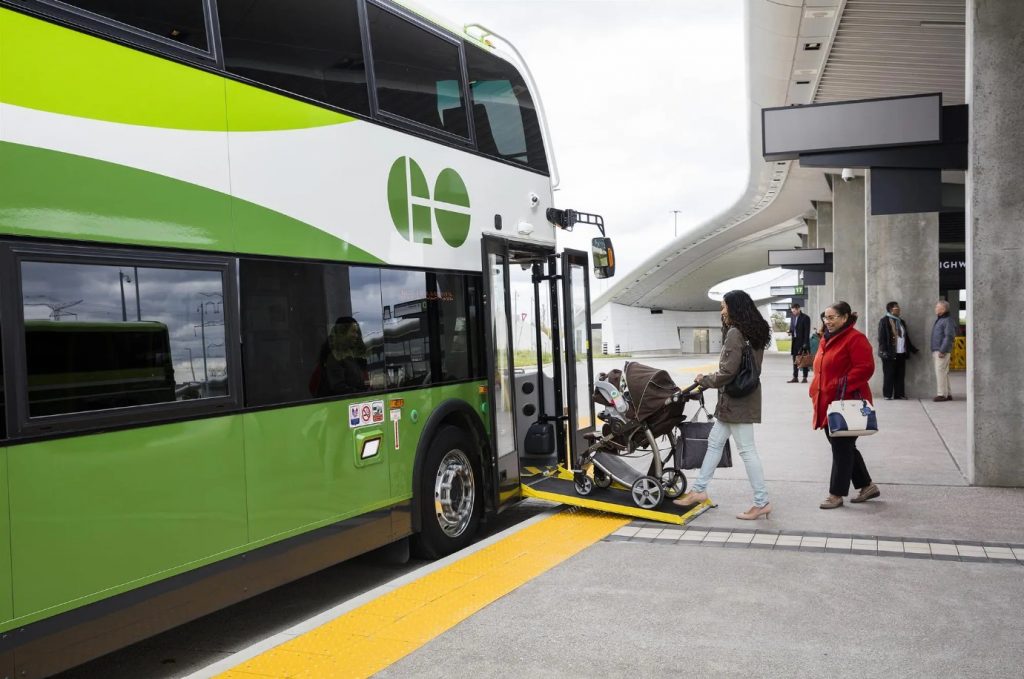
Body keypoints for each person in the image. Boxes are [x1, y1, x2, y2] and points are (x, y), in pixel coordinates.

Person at [674, 290, 772, 520]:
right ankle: (699, 490)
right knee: (715, 442)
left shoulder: (736, 333)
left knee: (747, 451)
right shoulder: (755, 331)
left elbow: (728, 372)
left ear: (735, 308)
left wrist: (703, 379)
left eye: (724, 307)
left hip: (736, 401)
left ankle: (762, 501)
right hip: (743, 397)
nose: (722, 311)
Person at [810, 301, 879, 509]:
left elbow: (865, 367)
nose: (827, 321)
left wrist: (841, 384)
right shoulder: (827, 338)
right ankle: (867, 485)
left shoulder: (855, 339)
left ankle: (836, 494)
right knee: (844, 446)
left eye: (832, 317)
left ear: (845, 317)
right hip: (828, 402)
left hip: (846, 403)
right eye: (825, 317)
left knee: (841, 448)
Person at [308, 316, 369, 397]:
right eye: (353, 331)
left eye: (357, 332)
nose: (356, 335)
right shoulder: (335, 357)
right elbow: (339, 388)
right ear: (342, 333)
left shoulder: (354, 356)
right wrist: (363, 394)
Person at [877, 301, 918, 400]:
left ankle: (899, 394)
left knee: (900, 375)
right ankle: (887, 394)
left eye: (898, 308)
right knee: (889, 374)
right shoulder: (884, 321)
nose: (899, 309)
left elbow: (905, 337)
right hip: (889, 353)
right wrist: (883, 351)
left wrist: (912, 349)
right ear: (891, 310)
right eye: (897, 308)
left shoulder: (901, 322)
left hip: (901, 352)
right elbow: (881, 337)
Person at [930, 300, 957, 402]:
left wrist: (943, 350)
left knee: (940, 372)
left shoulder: (947, 320)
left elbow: (949, 336)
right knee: (944, 373)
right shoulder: (941, 319)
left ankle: (941, 394)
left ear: (943, 309)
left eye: (937, 307)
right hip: (938, 350)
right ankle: (948, 394)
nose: (935, 308)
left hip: (941, 351)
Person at [787, 302, 811, 383]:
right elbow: (792, 328)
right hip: (795, 341)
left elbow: (807, 332)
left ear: (798, 309)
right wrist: (790, 331)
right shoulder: (792, 317)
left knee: (804, 359)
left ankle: (805, 377)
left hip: (803, 342)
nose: (793, 312)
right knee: (795, 359)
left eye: (794, 311)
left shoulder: (805, 318)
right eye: (792, 311)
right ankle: (795, 377)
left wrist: (805, 343)